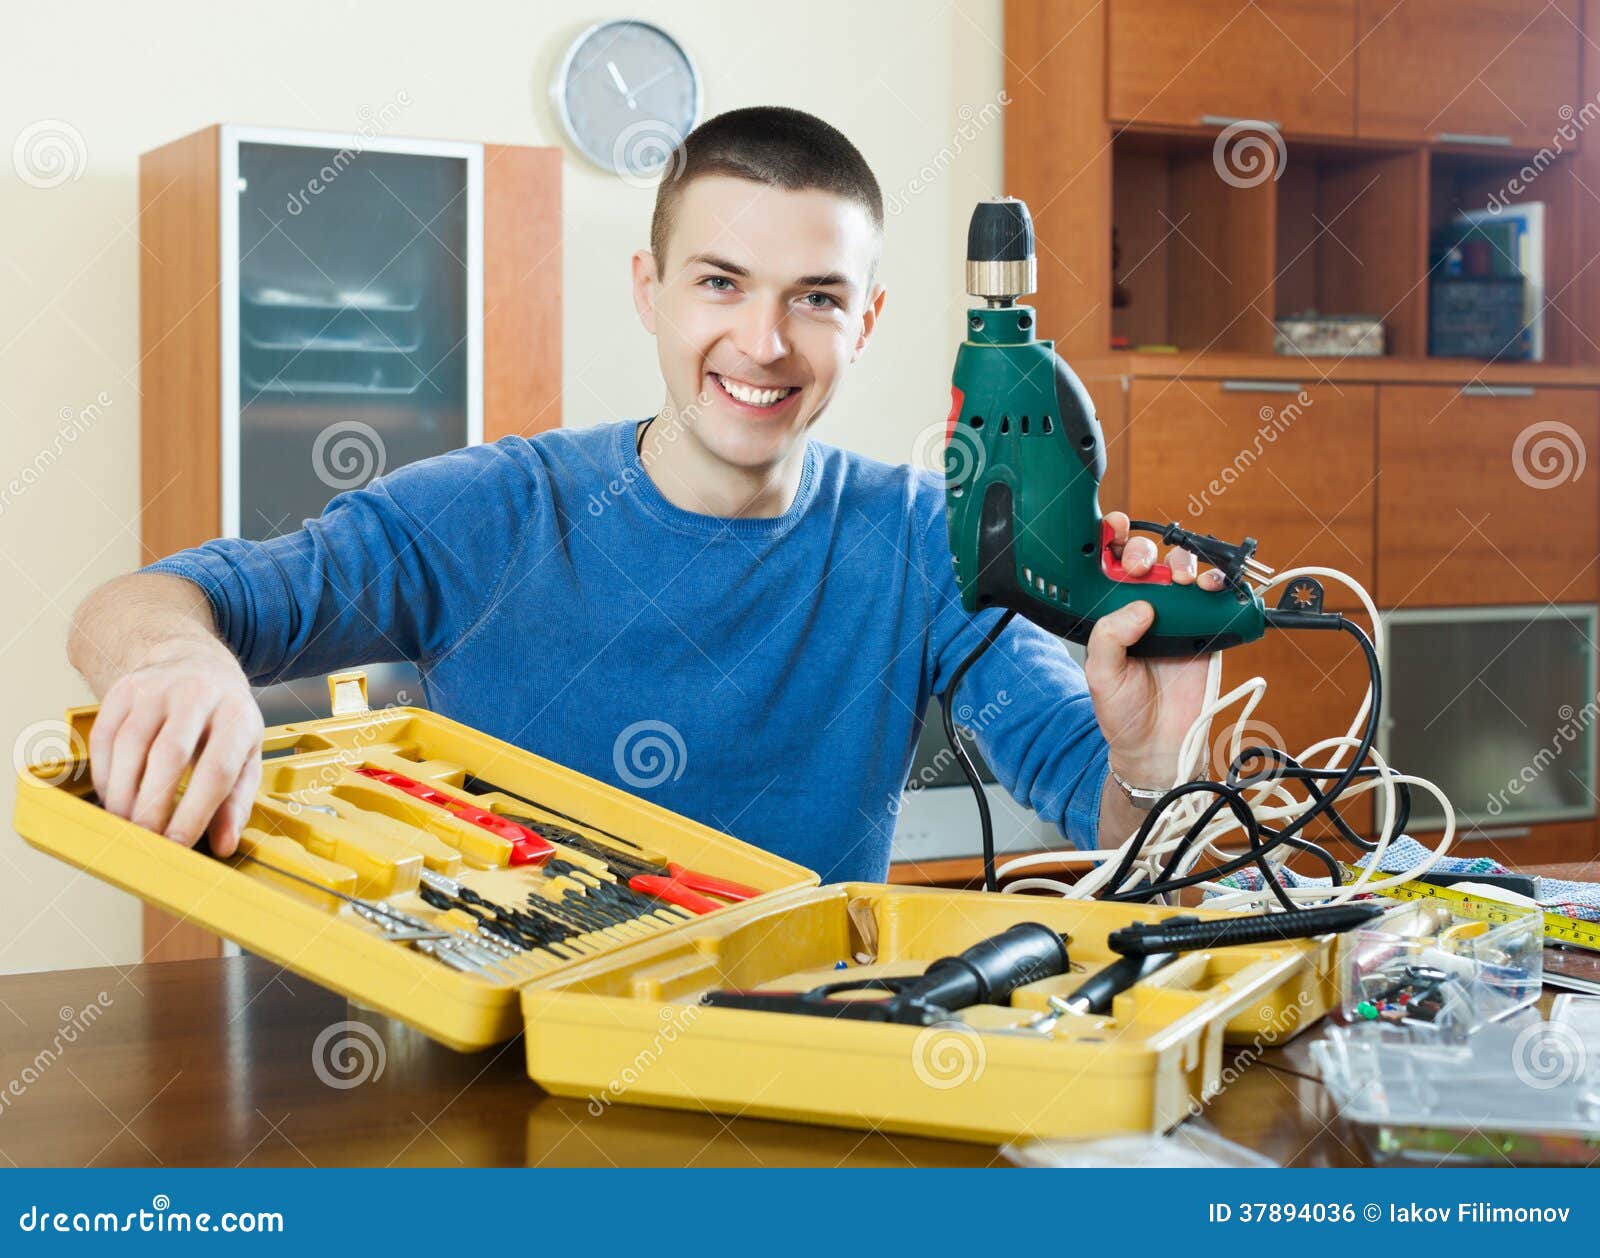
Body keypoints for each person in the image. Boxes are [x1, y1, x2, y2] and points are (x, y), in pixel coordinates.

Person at [66, 105, 1219, 884]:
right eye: (721, 282)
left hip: (802, 1076)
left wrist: (1152, 759)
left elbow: (1106, 811)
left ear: (864, 322)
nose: (762, 342)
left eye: (815, 297)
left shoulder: (926, 536)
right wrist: (176, 660)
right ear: (651, 290)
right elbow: (139, 602)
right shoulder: (491, 513)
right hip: (496, 1088)